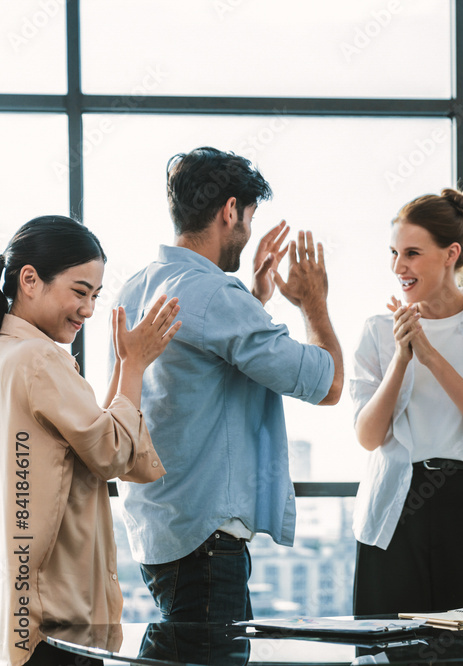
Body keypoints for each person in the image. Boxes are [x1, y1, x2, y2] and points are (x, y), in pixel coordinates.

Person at [115, 147, 344, 624]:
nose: (247, 233)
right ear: (229, 211)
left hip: (160, 530)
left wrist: (256, 299)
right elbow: (327, 383)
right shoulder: (217, 295)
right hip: (206, 542)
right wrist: (312, 303)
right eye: (249, 219)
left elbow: (205, 368)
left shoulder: (139, 286)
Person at [1, 216, 179, 666]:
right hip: (59, 623)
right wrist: (135, 367)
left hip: (25, 610)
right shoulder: (39, 358)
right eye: (80, 292)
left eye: (96, 296)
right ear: (30, 280)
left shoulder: (11, 352)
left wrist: (124, 363)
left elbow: (86, 441)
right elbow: (112, 452)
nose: (89, 309)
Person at [351, 188, 463, 615]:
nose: (398, 267)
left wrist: (430, 356)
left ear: (451, 253)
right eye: (393, 252)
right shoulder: (378, 329)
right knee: (386, 652)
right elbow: (368, 436)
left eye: (411, 253)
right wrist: (402, 357)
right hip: (394, 511)